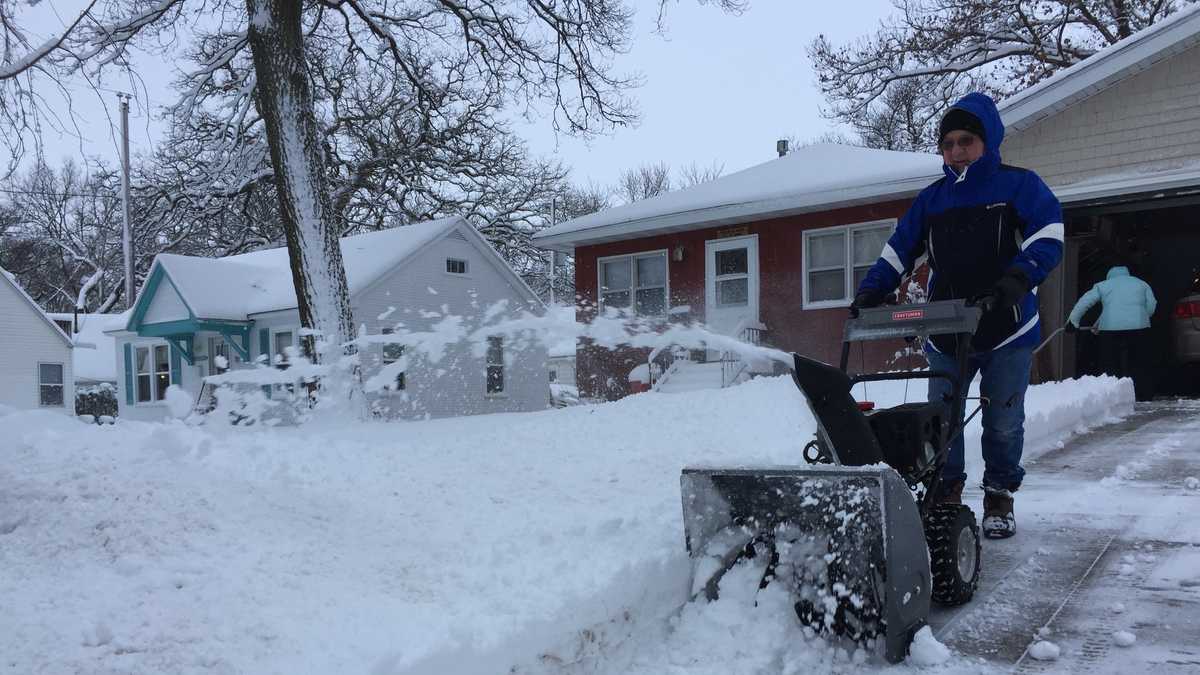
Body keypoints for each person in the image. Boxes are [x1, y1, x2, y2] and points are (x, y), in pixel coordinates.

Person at [854, 93, 1064, 539]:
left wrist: (1016, 280)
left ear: (987, 141)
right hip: (947, 328)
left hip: (1007, 325)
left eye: (965, 141)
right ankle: (945, 491)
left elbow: (1048, 236)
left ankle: (998, 494)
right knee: (941, 417)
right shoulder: (932, 200)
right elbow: (900, 249)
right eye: (947, 144)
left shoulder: (1019, 186)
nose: (956, 151)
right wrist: (872, 289)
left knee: (1003, 420)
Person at [1067, 265, 1157, 401]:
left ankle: (1111, 396)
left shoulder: (1103, 285)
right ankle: (1143, 395)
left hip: (1110, 330)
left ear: (1109, 276)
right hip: (1140, 328)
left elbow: (1085, 302)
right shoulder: (1141, 284)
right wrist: (1144, 317)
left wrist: (1073, 322)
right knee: (1140, 363)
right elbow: (1151, 304)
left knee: (1109, 363)